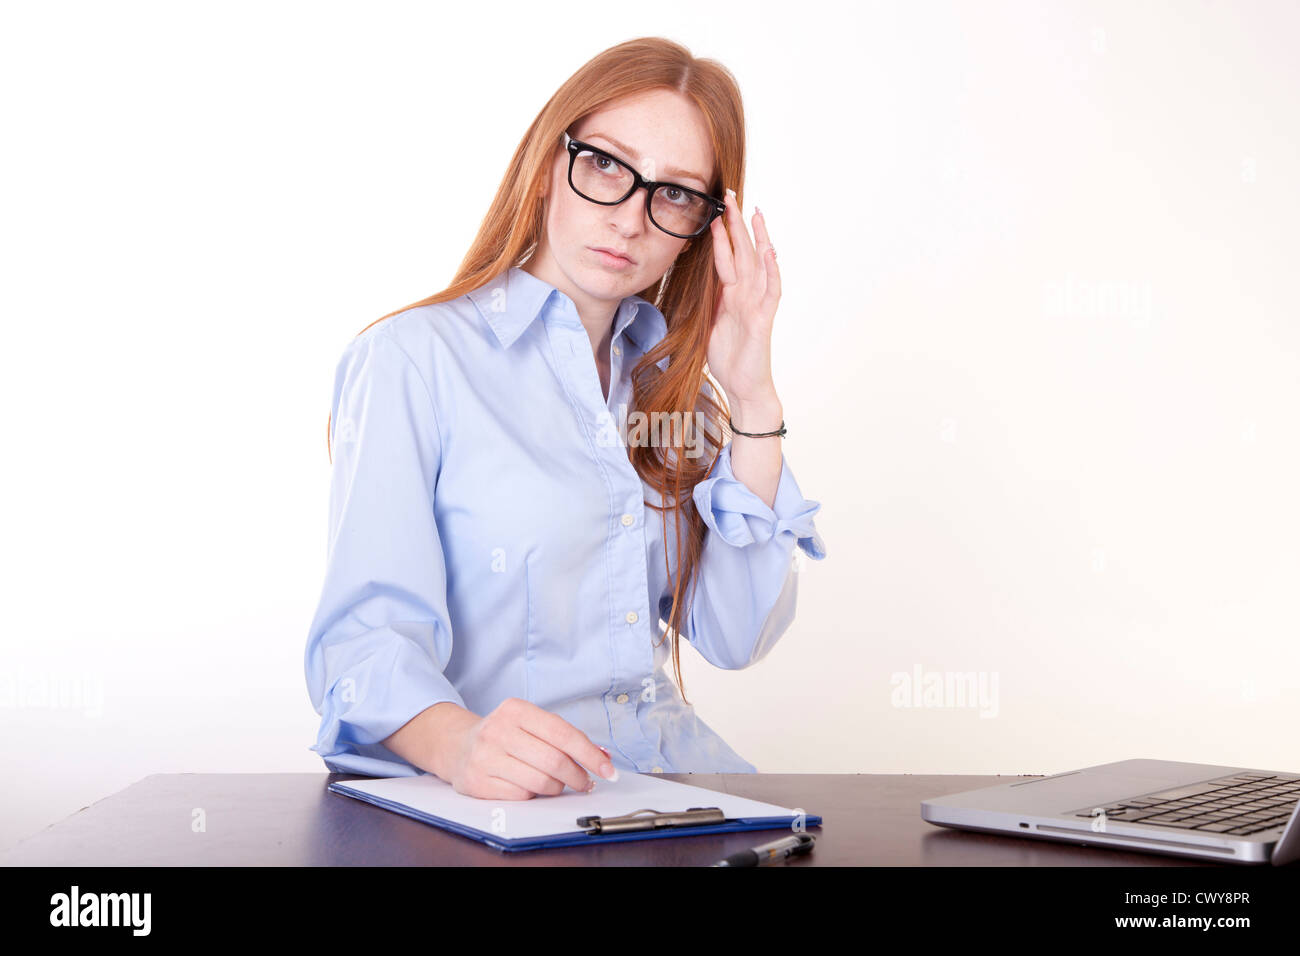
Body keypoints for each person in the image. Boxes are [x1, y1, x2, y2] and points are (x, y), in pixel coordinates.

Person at [304, 37, 826, 800]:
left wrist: (752, 401)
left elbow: (735, 634)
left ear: (703, 228)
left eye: (676, 193)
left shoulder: (672, 395)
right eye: (607, 164)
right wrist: (459, 745)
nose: (631, 219)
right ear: (550, 165)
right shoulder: (413, 361)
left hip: (672, 796)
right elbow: (361, 646)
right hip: (505, 809)